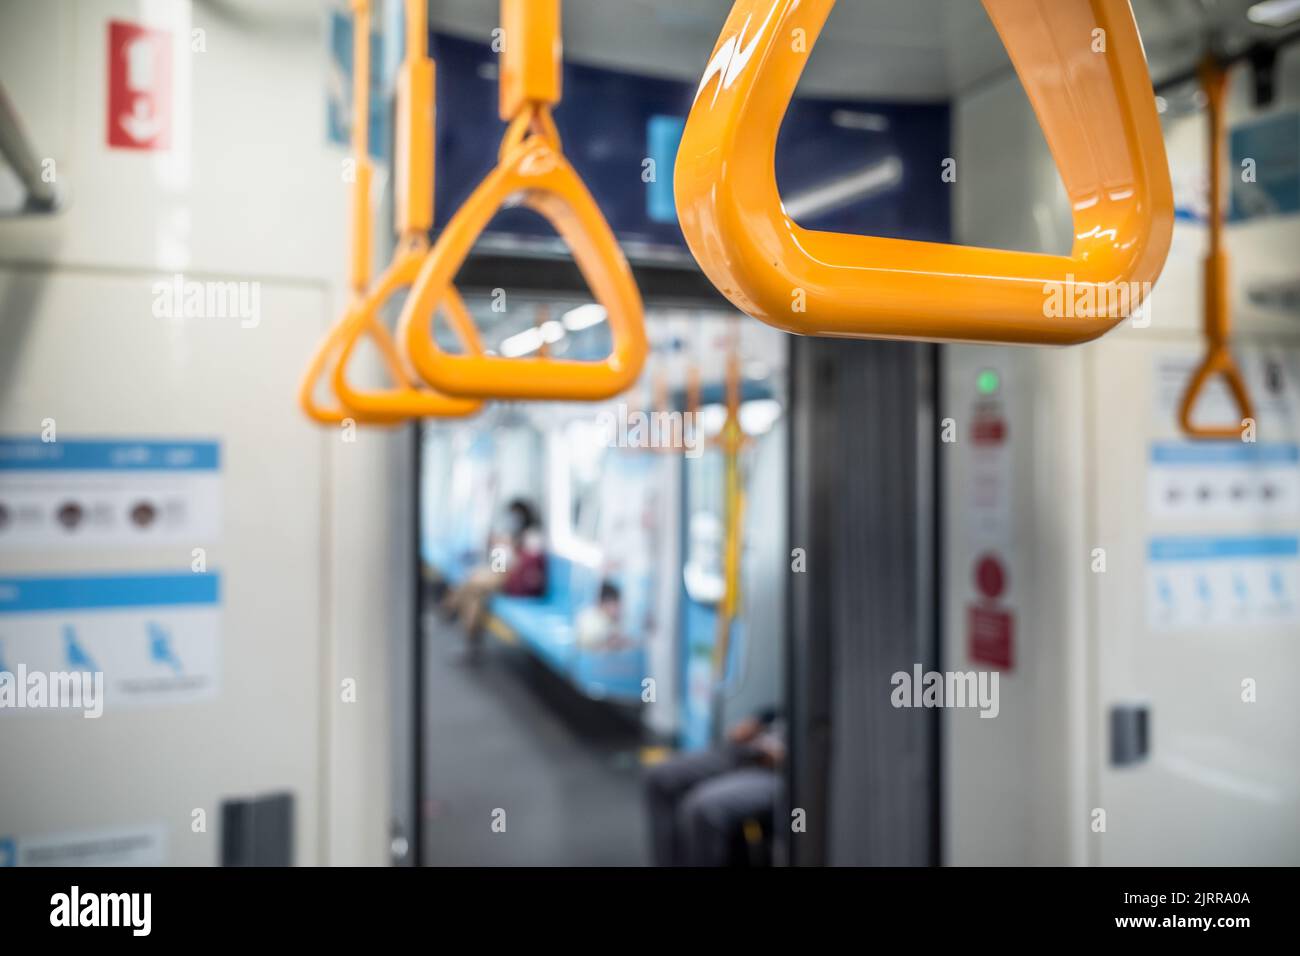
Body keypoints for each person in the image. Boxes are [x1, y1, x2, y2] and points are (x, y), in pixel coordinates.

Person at [644, 708, 785, 867]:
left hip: (780, 768)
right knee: (659, 778)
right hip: (757, 744)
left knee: (703, 807)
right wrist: (758, 720)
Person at [441, 497, 546, 649]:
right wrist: (498, 544)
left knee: (473, 581)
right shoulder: (509, 534)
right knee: (475, 595)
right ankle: (470, 643)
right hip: (500, 573)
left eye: (516, 516)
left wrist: (511, 546)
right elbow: (497, 563)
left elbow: (522, 565)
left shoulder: (532, 537)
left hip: (512, 579)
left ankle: (450, 605)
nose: (513, 520)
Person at [574, 579, 634, 651]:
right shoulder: (588, 619)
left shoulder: (611, 620)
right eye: (616, 605)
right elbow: (589, 645)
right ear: (606, 603)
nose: (619, 609)